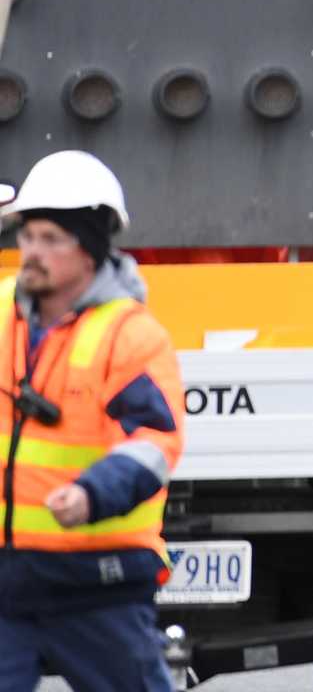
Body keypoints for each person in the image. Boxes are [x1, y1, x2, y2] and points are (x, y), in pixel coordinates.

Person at [0, 151, 184, 692]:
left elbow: (154, 440)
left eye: (51, 239)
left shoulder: (130, 335)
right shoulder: (3, 315)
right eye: (28, 236)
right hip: (7, 582)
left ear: (89, 249)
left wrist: (91, 493)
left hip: (96, 584)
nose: (33, 251)